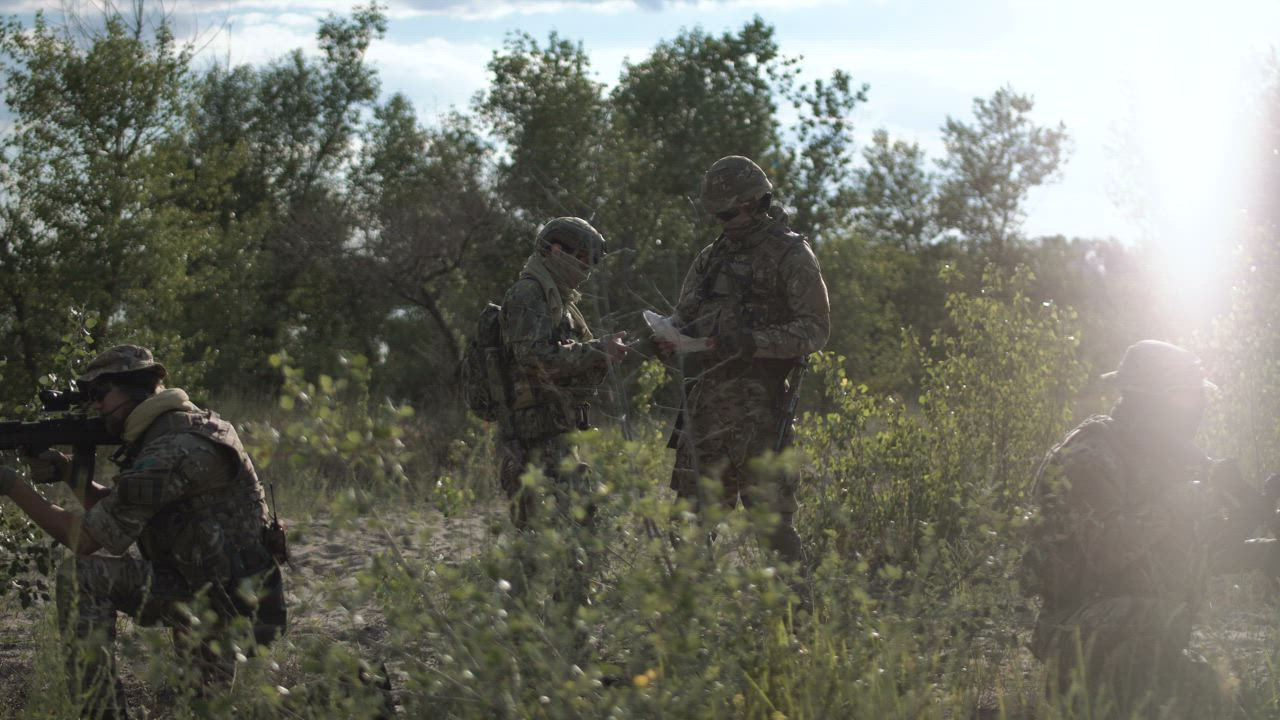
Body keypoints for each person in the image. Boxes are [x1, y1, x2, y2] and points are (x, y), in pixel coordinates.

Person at [0, 345, 287, 719]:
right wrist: (70, 472)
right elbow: (123, 510)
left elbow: (85, 539)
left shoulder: (172, 448)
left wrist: (11, 484)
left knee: (81, 576)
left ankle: (100, 711)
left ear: (134, 390)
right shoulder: (181, 429)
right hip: (213, 584)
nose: (97, 406)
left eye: (102, 394)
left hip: (218, 597)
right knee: (201, 707)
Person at [1025, 339, 1279, 716]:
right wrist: (1173, 504)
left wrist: (1258, 538)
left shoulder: (1160, 456)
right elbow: (1105, 555)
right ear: (1146, 400)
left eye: (1198, 397)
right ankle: (1088, 691)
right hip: (1078, 633)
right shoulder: (1090, 457)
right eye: (1185, 397)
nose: (1196, 409)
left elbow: (1191, 553)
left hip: (1136, 634)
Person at [662, 155, 830, 568]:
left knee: (773, 531)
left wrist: (751, 342)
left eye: (727, 213)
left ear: (757, 203)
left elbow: (814, 330)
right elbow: (684, 315)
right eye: (715, 215)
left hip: (761, 414)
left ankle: (799, 607)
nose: (720, 223)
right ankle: (691, 605)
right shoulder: (712, 256)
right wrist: (664, 336)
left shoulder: (791, 254)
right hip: (704, 407)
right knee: (690, 526)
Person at [497, 216, 631, 531]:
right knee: (549, 532)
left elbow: (569, 361)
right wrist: (598, 350)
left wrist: (609, 353)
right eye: (582, 258)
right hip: (531, 435)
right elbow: (535, 358)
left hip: (556, 430)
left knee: (575, 526)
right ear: (557, 251)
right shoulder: (529, 294)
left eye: (591, 262)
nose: (587, 269)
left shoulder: (560, 301)